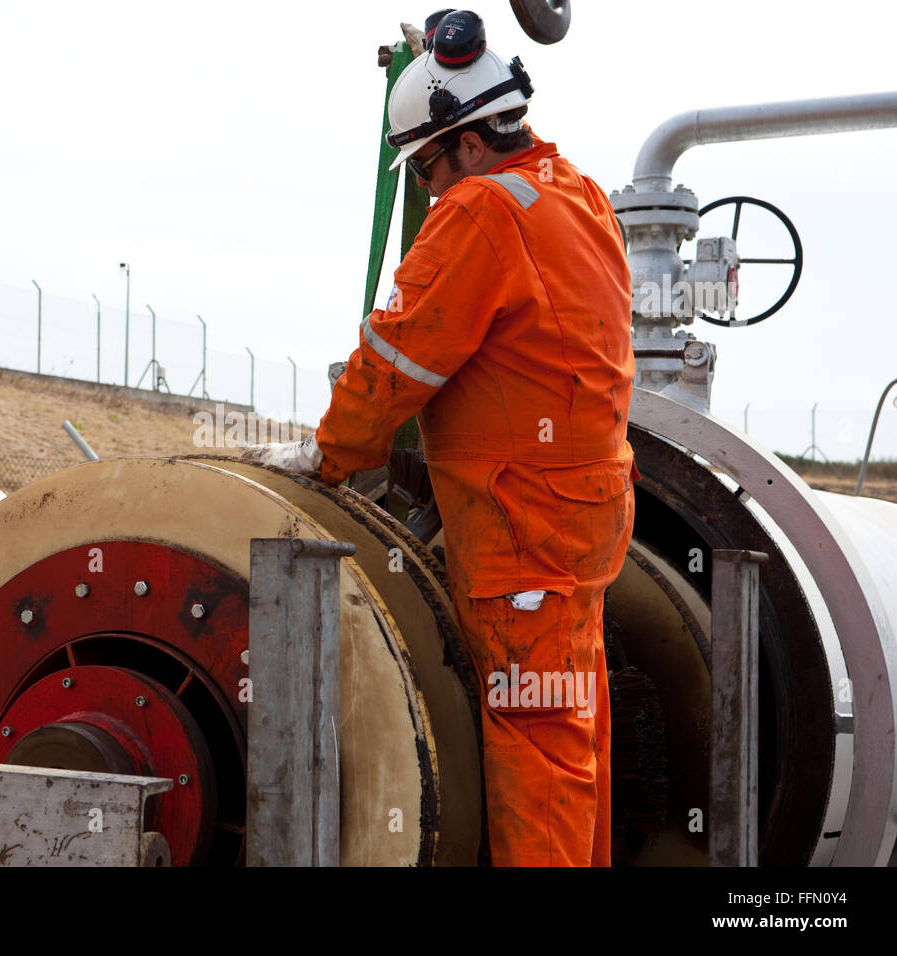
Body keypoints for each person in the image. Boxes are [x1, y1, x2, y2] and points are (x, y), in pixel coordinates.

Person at [241, 10, 638, 866]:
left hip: (521, 530)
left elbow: (397, 357)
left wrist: (328, 455)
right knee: (573, 730)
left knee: (535, 746)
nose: (425, 188)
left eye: (425, 165)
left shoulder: (481, 216)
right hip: (586, 519)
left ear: (465, 142)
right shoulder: (576, 194)